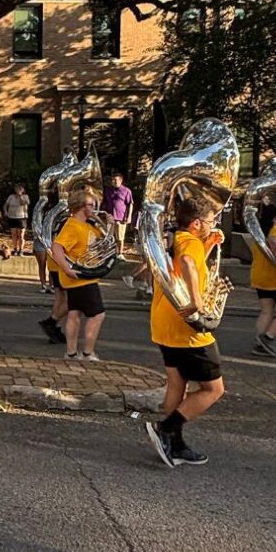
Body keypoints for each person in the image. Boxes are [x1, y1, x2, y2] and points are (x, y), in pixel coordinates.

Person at [144, 196, 226, 468]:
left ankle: (174, 445)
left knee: (177, 383)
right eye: (211, 220)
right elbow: (189, 263)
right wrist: (197, 302)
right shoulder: (190, 242)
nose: (214, 224)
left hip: (164, 322)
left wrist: (209, 244)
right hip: (187, 328)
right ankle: (166, 429)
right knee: (214, 389)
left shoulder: (178, 238)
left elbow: (186, 263)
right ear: (196, 223)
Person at [50, 188, 106, 360]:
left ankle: (71, 353)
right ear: (82, 206)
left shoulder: (87, 225)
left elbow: (104, 242)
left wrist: (106, 224)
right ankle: (88, 352)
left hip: (85, 275)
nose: (94, 208)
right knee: (97, 314)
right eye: (91, 205)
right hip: (81, 277)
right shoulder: (73, 225)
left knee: (74, 313)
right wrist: (67, 268)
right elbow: (57, 247)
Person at [250, 203, 276, 357]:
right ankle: (268, 337)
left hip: (260, 277)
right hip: (274, 279)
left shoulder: (259, 231)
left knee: (266, 311)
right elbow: (274, 241)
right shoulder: (275, 230)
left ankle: (259, 343)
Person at [101, 173, 134, 255]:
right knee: (108, 237)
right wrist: (104, 214)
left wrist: (129, 216)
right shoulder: (108, 190)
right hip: (110, 217)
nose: (113, 181)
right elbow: (104, 202)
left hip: (121, 217)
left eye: (115, 180)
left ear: (120, 180)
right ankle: (107, 254)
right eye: (112, 180)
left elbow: (130, 204)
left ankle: (120, 254)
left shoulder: (126, 191)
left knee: (120, 238)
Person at [3, 183, 30, 257]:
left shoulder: (25, 197)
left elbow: (23, 203)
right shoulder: (11, 197)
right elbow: (6, 205)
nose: (18, 190)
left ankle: (21, 250)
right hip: (12, 217)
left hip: (22, 217)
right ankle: (15, 249)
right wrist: (5, 212)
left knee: (21, 234)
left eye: (20, 188)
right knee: (14, 234)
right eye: (17, 188)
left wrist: (20, 196)